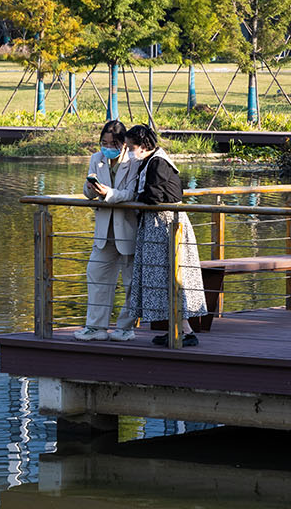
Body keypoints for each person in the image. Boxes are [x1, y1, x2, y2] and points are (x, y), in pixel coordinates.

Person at [121, 125, 209, 347]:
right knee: (165, 276)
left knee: (171, 275)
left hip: (166, 223)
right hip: (159, 224)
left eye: (132, 147)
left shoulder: (158, 163)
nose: (130, 151)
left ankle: (184, 330)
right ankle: (180, 328)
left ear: (143, 145)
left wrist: (134, 197)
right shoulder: (151, 161)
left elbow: (154, 196)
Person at [76, 120, 142, 342]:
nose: (107, 147)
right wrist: (91, 188)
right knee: (96, 275)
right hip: (104, 232)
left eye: (112, 143)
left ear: (123, 144)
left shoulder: (134, 162)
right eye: (104, 142)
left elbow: (131, 193)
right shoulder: (97, 159)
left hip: (127, 229)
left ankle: (125, 327)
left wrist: (108, 193)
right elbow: (88, 194)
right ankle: (96, 327)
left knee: (131, 281)